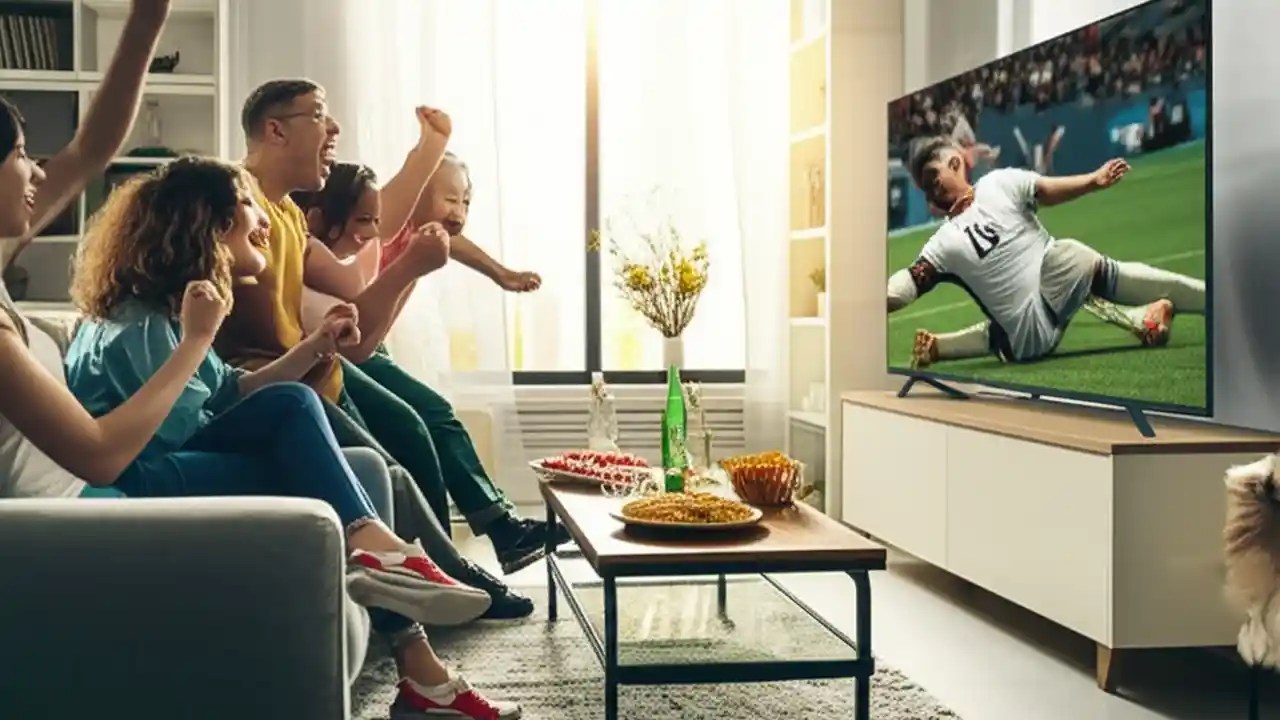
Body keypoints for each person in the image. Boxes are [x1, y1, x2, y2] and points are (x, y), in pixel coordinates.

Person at [63, 157, 522, 719]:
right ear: (213, 222)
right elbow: (167, 433)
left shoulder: (163, 309)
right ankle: (386, 570)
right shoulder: (143, 324)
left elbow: (227, 394)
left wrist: (316, 347)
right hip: (148, 480)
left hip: (175, 460)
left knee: (359, 462)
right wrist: (199, 339)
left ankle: (417, 662)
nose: (263, 220)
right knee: (297, 409)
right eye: (249, 205)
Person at [215, 78, 533, 617]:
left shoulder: (290, 214)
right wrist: (410, 255)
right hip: (281, 388)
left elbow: (355, 283)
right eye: (319, 115)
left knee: (403, 454)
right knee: (393, 467)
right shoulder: (234, 203)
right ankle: (446, 579)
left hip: (320, 374)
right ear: (274, 130)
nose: (334, 128)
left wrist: (427, 154)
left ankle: (446, 577)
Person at [293, 155, 565, 575]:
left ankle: (498, 529)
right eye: (449, 198)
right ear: (416, 194)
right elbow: (355, 313)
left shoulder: (428, 236)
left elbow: (459, 247)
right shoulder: (383, 227)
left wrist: (503, 274)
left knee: (436, 415)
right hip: (347, 343)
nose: (458, 212)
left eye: (466, 202)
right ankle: (458, 556)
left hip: (367, 345)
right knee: (425, 421)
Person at [887, 135, 1205, 367]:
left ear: (955, 163)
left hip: (1019, 332)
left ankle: (1149, 319)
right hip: (1030, 333)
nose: (932, 188)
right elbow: (910, 281)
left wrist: (1093, 181)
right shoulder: (941, 242)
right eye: (925, 186)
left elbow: (1046, 190)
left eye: (933, 177)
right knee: (1068, 257)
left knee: (1043, 281)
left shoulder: (998, 183)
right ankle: (1198, 301)